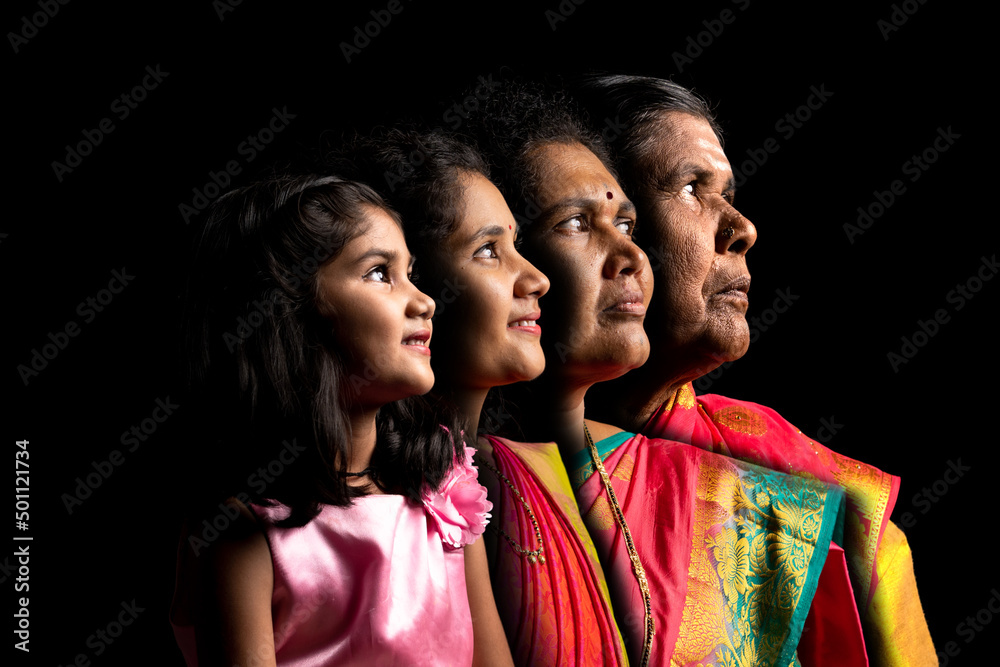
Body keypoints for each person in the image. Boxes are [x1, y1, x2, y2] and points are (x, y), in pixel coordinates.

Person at [465, 78, 858, 666]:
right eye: (691, 188)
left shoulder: (782, 497)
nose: (743, 228)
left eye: (622, 225)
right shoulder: (467, 489)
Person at [570, 74, 936, 666]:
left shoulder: (821, 500)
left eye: (728, 192)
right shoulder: (471, 477)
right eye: (691, 188)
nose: (742, 229)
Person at [168, 173, 510, 666]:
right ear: (291, 313)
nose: (424, 301)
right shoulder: (241, 529)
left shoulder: (443, 493)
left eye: (411, 272)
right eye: (378, 273)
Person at [334, 128, 629, 666]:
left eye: (516, 245)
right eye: (489, 251)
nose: (536, 278)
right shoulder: (334, 512)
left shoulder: (469, 485)